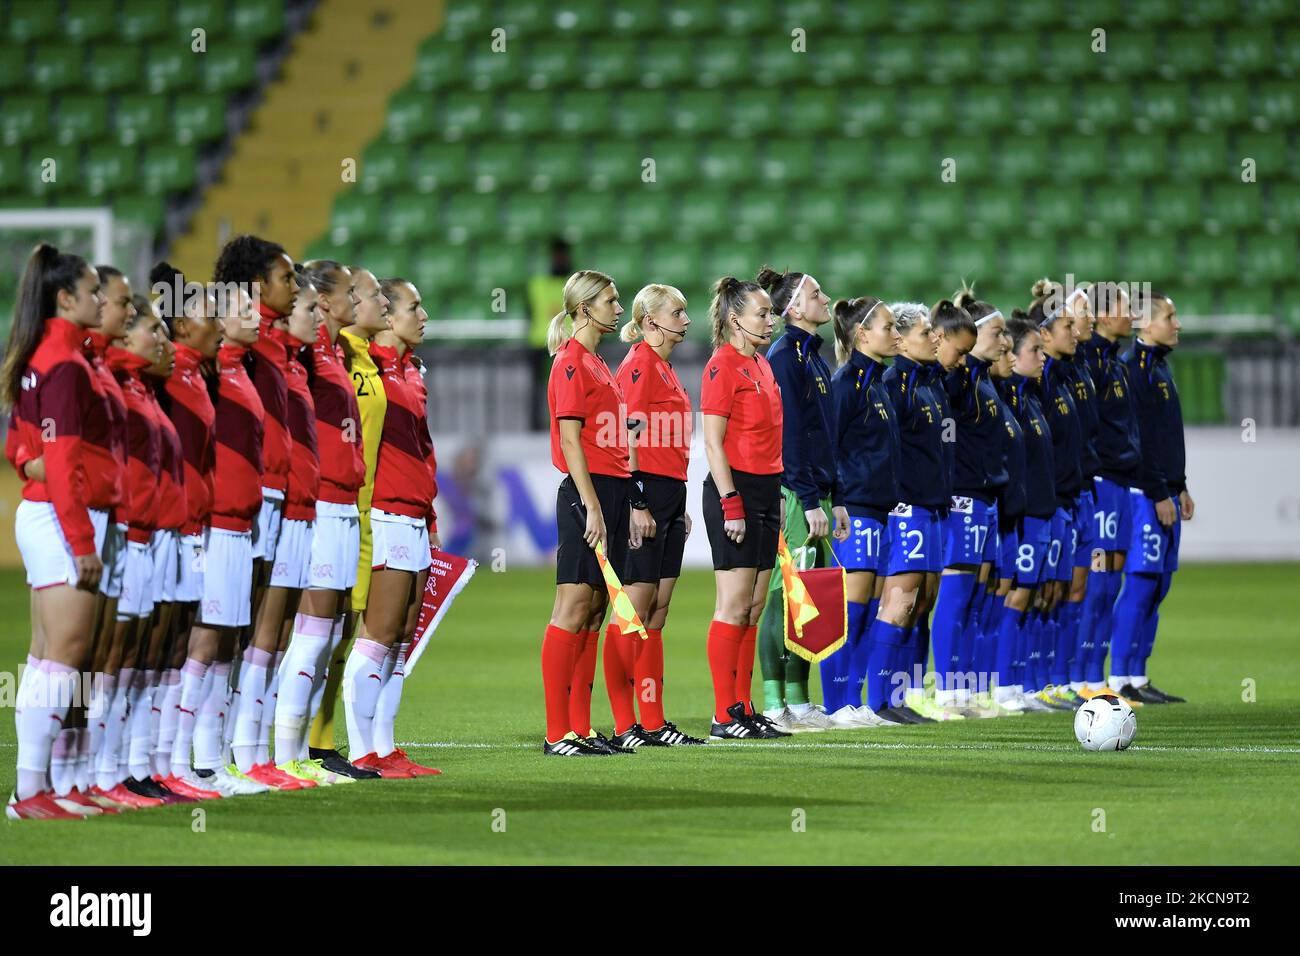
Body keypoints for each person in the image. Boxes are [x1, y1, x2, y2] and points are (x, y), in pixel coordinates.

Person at [3, 244, 108, 819]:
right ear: (65, 299)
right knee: (62, 657)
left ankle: (45, 787)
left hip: (43, 512)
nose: (97, 299)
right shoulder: (64, 363)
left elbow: (21, 445)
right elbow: (63, 461)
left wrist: (27, 462)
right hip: (59, 516)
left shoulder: (46, 354)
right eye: (91, 290)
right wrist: (84, 544)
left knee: (50, 656)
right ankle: (30, 792)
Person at [168, 284, 279, 796]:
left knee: (224, 645)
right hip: (206, 528)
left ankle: (207, 762)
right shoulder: (192, 374)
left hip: (237, 525)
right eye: (230, 313)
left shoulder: (230, 370)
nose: (250, 318)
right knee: (200, 643)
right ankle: (175, 762)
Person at [274, 261, 375, 780]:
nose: (357, 301)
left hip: (341, 506)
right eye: (347, 294)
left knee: (331, 631)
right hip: (317, 506)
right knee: (310, 636)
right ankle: (284, 755)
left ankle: (298, 753)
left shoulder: (333, 353)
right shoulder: (306, 357)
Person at [539, 270, 643, 756]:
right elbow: (568, 440)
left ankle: (580, 728)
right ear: (584, 310)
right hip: (590, 492)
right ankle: (557, 731)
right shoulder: (571, 363)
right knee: (572, 606)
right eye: (610, 301)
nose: (618, 309)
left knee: (596, 612)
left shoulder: (597, 362)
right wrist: (592, 503)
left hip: (612, 490)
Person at [340, 277, 441, 777]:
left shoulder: (411, 372)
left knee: (402, 636)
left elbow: (423, 451)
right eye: (413, 307)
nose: (423, 316)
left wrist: (431, 517)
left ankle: (385, 745)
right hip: (383, 514)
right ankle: (361, 752)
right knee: (376, 635)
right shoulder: (367, 371)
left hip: (415, 518)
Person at [752, 266, 848, 732]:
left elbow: (826, 437)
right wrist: (809, 498)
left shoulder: (813, 357)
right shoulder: (784, 358)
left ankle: (798, 698)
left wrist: (838, 496)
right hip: (795, 495)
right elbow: (787, 436)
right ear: (793, 308)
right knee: (782, 594)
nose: (825, 297)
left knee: (807, 596)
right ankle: (774, 702)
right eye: (816, 292)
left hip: (818, 494)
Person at [611, 283, 706, 746]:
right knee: (632, 611)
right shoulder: (638, 367)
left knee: (657, 612)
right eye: (678, 312)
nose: (687, 320)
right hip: (645, 495)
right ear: (651, 321)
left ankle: (652, 721)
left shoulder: (664, 368)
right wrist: (637, 501)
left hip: (669, 495)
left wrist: (678, 503)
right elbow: (623, 438)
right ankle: (626, 724)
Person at [699, 276, 789, 741]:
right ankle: (723, 714)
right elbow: (713, 442)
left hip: (765, 490)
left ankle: (744, 706)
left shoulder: (761, 365)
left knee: (753, 606)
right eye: (762, 314)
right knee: (732, 605)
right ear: (735, 319)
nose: (770, 321)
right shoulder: (722, 367)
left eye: (771, 313)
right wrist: (731, 501)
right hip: (733, 492)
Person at [306, 267, 389, 771]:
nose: (374, 299)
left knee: (345, 628)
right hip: (328, 508)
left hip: (364, 512)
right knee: (315, 631)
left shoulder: (365, 360)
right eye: (367, 293)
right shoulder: (326, 358)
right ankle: (295, 744)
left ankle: (322, 740)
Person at [151, 264, 224, 800]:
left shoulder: (200, 373)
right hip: (164, 530)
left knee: (183, 646)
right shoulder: (168, 375)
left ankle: (170, 765)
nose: (215, 319)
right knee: (146, 649)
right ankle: (125, 768)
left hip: (194, 527)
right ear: (177, 325)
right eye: (203, 311)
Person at [826, 295, 903, 727]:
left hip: (879, 510)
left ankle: (853, 701)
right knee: (849, 612)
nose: (895, 334)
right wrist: (836, 500)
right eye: (889, 327)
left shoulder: (877, 383)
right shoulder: (846, 383)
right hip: (854, 510)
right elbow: (830, 447)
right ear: (862, 334)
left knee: (868, 610)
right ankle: (838, 704)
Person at [1111, 291, 1189, 704]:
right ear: (1144, 323)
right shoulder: (1133, 371)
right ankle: (1120, 674)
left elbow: (1165, 439)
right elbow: (1137, 443)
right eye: (1169, 317)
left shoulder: (1159, 369)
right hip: (1145, 495)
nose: (1176, 324)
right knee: (1140, 584)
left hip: (1164, 491)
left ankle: (1138, 676)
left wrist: (1181, 486)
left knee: (1158, 584)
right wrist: (1160, 491)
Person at [930, 294, 1002, 718]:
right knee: (954, 596)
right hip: (959, 499)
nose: (1004, 343)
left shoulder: (977, 378)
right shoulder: (951, 382)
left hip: (980, 498)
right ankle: (945, 689)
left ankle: (964, 686)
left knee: (972, 596)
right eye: (996, 334)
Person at [873, 303, 945, 724]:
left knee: (918, 604)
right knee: (897, 603)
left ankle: (903, 695)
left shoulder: (923, 383)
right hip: (906, 508)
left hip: (930, 507)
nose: (934, 338)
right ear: (900, 338)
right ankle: (881, 698)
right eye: (925, 333)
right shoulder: (893, 382)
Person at [1077, 284, 1141, 699]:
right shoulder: (1089, 362)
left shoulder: (1114, 361)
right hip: (1100, 482)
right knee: (1096, 583)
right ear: (1101, 316)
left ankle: (1095, 677)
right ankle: (1081, 674)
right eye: (1124, 306)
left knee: (1110, 581)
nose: (1133, 313)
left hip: (1119, 484)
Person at [1029, 281, 1086, 710]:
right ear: (1044, 335)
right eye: (1067, 324)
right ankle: (1029, 683)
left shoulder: (1064, 375)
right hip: (1044, 503)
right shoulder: (1040, 381)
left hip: (1066, 499)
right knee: (1036, 592)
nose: (1077, 332)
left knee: (1057, 591)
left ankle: (1052, 679)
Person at [999, 314, 1060, 713]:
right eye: (1034, 351)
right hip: (1017, 516)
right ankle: (1003, 686)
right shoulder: (1003, 401)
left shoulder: (1028, 398)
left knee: (1039, 596)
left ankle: (1026, 683)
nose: (1043, 358)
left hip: (1040, 512)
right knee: (1015, 597)